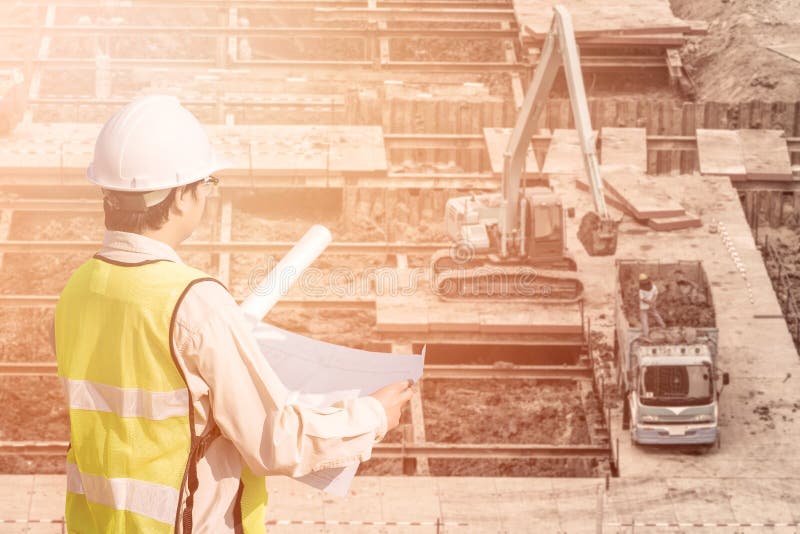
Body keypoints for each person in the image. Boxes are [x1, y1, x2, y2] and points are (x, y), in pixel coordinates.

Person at [53, 95, 414, 533]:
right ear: (181, 196)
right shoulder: (193, 303)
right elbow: (273, 440)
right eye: (206, 183)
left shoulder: (77, 290)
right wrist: (373, 416)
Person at [639, 273, 665, 338]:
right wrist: (652, 302)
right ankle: (663, 326)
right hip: (650, 305)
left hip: (644, 306)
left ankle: (646, 334)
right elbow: (655, 295)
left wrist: (651, 302)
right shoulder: (653, 286)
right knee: (656, 315)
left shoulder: (641, 289)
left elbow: (642, 299)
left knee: (644, 319)